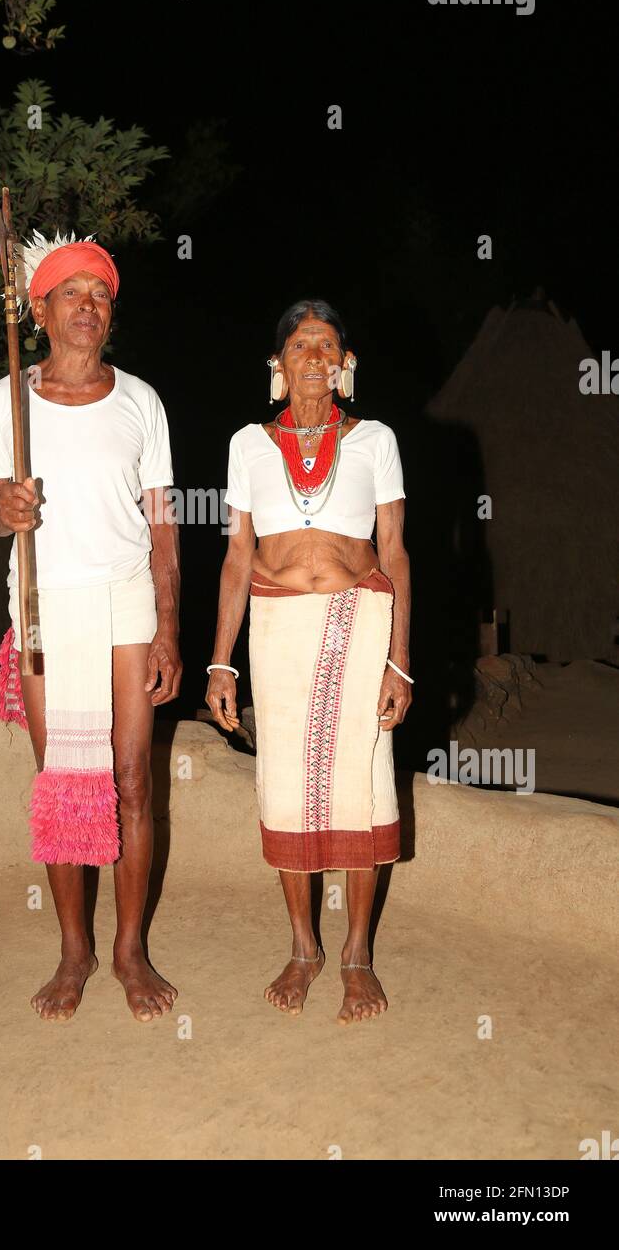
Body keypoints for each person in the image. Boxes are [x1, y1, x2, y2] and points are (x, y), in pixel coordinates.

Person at [0, 230, 182, 1023]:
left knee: (132, 782)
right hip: (43, 604)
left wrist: (168, 628)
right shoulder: (9, 401)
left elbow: (163, 526)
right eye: (73, 293)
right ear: (40, 309)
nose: (89, 306)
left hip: (126, 599)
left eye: (100, 294)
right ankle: (74, 952)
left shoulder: (142, 402)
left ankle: (129, 950)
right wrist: (7, 508)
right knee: (64, 783)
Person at [206, 300, 412, 1025]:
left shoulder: (376, 439)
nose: (315, 356)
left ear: (345, 364)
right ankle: (303, 949)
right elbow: (236, 555)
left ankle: (355, 953)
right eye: (300, 345)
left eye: (327, 345)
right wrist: (220, 662)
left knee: (361, 781)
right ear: (279, 365)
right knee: (287, 785)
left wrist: (401, 662)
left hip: (360, 622)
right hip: (278, 625)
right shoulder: (248, 445)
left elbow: (394, 551)